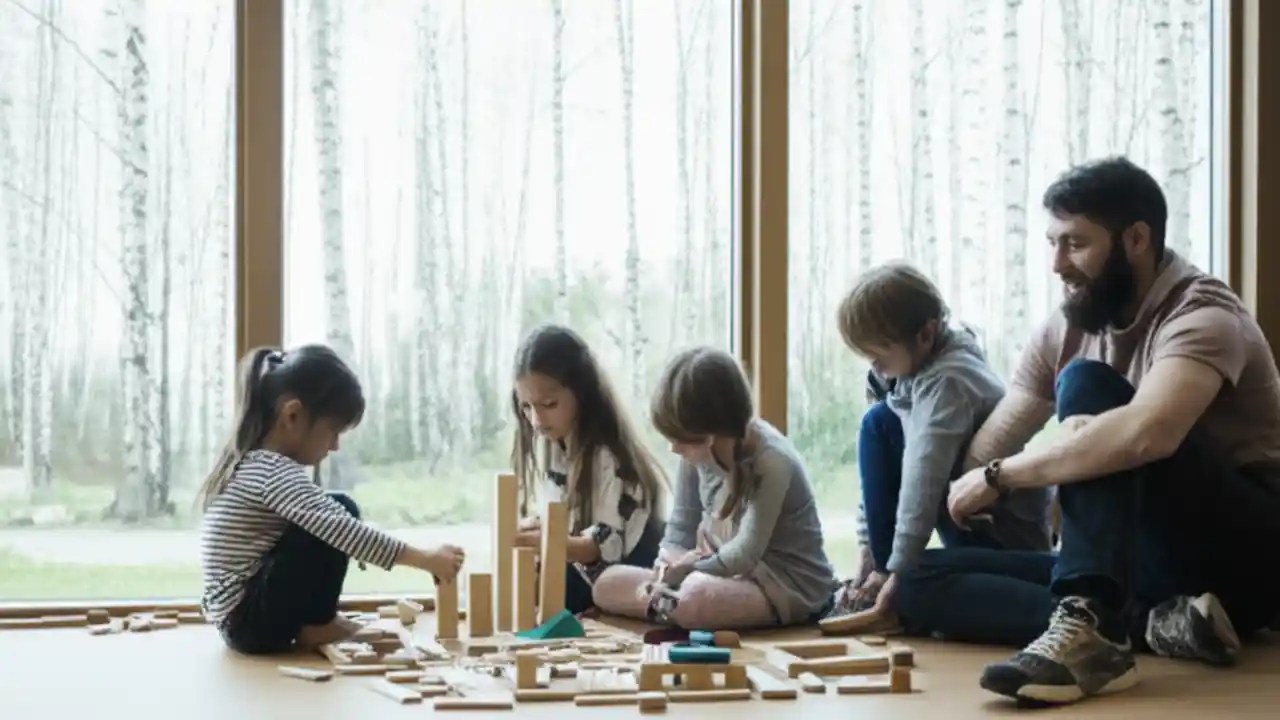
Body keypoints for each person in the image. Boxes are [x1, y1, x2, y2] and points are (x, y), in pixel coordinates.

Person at [883, 157, 1280, 705]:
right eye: (1052, 242)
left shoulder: (1204, 313)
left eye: (1074, 243)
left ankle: (1093, 622)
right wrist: (928, 451)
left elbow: (1148, 435)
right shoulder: (1068, 325)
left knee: (1089, 386)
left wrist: (1004, 478)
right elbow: (989, 446)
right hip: (1145, 567)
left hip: (1245, 553)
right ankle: (1148, 625)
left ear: (1136, 238)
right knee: (920, 581)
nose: (1056, 264)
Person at [199, 345, 465, 655]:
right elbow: (344, 531)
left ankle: (317, 622)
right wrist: (425, 559)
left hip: (240, 618)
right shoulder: (273, 471)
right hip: (250, 624)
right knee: (336, 515)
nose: (335, 445)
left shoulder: (254, 464)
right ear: (293, 415)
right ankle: (319, 626)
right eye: (332, 431)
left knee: (335, 506)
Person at [829, 263, 1052, 617]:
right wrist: (868, 551)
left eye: (880, 355)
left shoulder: (947, 382)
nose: (875, 367)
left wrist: (897, 569)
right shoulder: (914, 372)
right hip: (968, 524)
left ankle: (892, 584)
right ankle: (885, 576)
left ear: (926, 335)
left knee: (914, 582)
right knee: (880, 421)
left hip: (1002, 540)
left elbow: (922, 476)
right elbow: (879, 479)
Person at [592, 347, 837, 630]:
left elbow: (746, 554)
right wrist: (664, 570)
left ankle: (670, 607)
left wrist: (686, 571)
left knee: (696, 598)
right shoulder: (694, 453)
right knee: (605, 583)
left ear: (710, 435)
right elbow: (681, 527)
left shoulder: (773, 462)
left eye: (680, 439)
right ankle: (668, 605)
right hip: (715, 574)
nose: (673, 448)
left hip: (780, 584)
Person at [510, 324, 668, 614]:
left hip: (629, 570)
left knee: (573, 588)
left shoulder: (610, 458)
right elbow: (568, 527)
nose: (535, 420)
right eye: (526, 408)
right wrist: (540, 531)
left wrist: (551, 541)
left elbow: (606, 546)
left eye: (548, 404)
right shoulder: (554, 443)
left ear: (581, 394)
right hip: (589, 570)